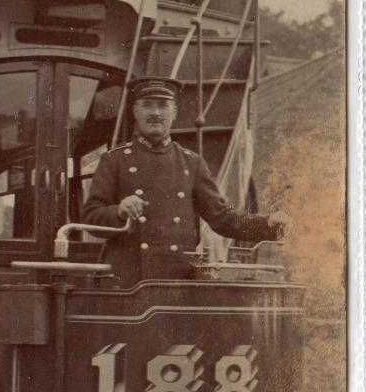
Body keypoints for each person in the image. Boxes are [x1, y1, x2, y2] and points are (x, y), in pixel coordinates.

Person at [82, 77, 291, 286]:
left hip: (177, 280)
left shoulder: (192, 163)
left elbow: (224, 218)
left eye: (162, 105)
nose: (155, 113)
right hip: (128, 283)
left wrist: (267, 224)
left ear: (174, 113)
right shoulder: (114, 160)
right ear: (135, 112)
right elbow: (90, 218)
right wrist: (119, 211)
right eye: (147, 105)